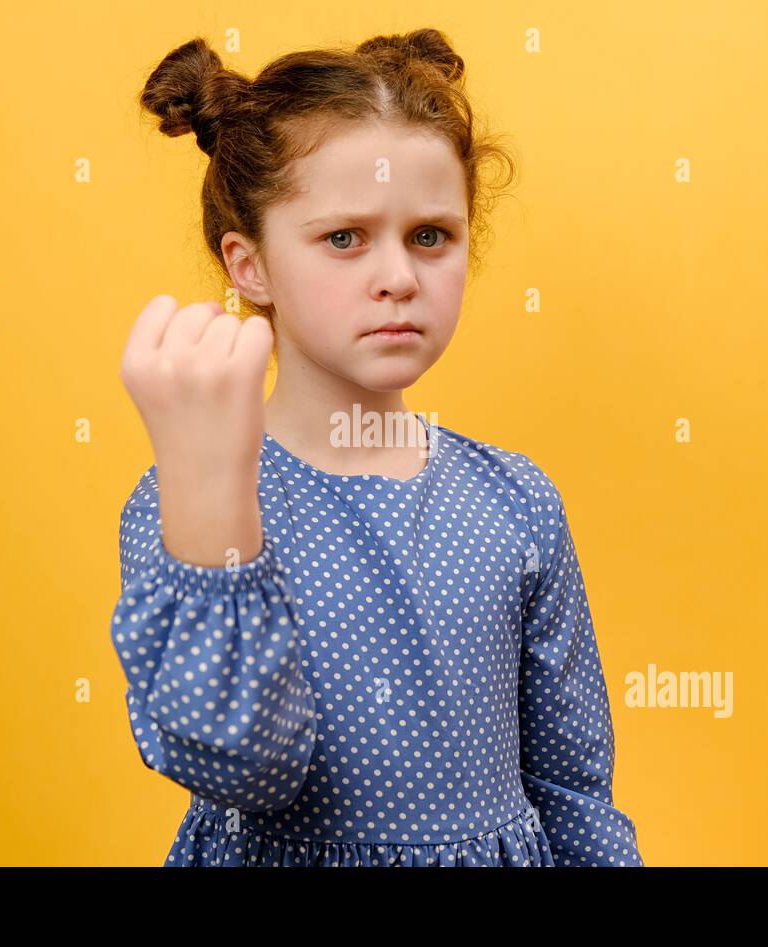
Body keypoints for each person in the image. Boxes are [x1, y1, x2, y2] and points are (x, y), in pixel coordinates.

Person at [111, 28, 643, 867]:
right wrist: (208, 483)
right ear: (249, 267)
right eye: (345, 238)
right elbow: (244, 764)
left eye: (430, 236)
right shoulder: (192, 502)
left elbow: (574, 785)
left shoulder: (516, 500)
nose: (398, 275)